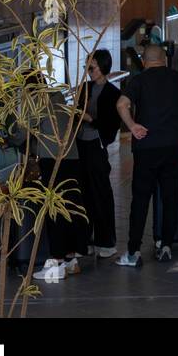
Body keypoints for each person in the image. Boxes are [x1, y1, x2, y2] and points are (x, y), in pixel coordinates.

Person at [115, 43, 178, 267]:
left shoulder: (138, 81)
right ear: (163, 60)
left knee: (140, 200)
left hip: (146, 147)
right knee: (170, 198)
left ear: (144, 61)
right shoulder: (175, 77)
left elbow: (121, 104)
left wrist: (133, 125)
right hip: (171, 146)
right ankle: (165, 245)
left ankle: (133, 252)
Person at [14, 73, 89, 282]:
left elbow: (23, 132)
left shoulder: (36, 101)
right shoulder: (58, 97)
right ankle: (71, 261)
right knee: (69, 208)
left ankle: (56, 263)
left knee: (54, 210)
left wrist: (8, 139)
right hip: (72, 157)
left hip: (53, 160)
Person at [76, 49, 121, 260]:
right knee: (83, 193)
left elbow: (111, 124)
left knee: (100, 193)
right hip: (81, 146)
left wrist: (90, 120)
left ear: (102, 68)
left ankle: (106, 240)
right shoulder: (84, 88)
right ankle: (86, 239)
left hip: (97, 146)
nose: (89, 72)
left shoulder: (112, 93)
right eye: (87, 68)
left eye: (91, 68)